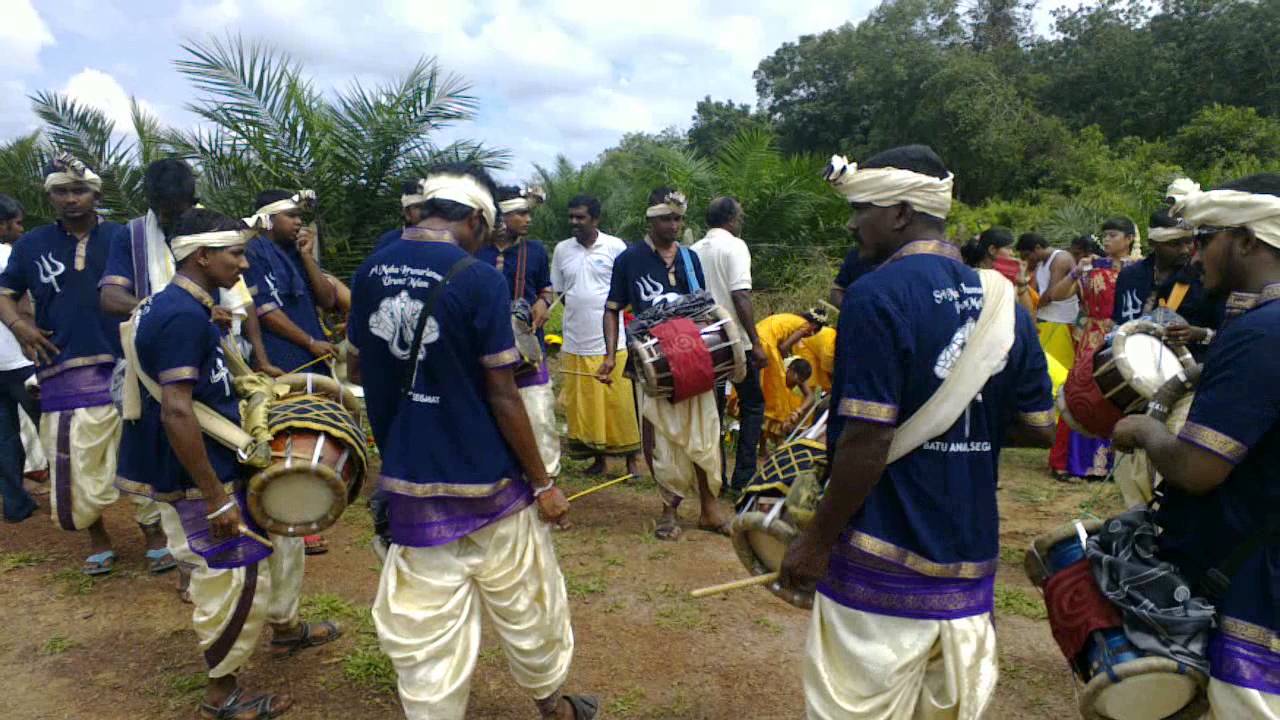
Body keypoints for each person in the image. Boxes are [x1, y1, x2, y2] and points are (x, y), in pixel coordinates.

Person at [780, 145, 1055, 719]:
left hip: (883, 548)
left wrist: (815, 540)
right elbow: (1038, 426)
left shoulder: (876, 296)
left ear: (901, 213)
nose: (854, 223)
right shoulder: (1006, 303)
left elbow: (866, 441)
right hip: (969, 551)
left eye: (863, 209)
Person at [348, 163, 595, 720]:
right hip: (487, 479)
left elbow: (359, 363)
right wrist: (544, 482)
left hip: (409, 475)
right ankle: (553, 706)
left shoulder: (371, 271)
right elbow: (503, 394)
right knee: (528, 601)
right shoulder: (479, 277)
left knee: (425, 622)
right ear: (479, 220)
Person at [115, 208, 341, 720]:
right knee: (227, 572)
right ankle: (223, 695)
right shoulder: (177, 317)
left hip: (214, 455)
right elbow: (176, 409)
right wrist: (216, 497)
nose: (243, 264)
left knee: (277, 542)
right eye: (235, 254)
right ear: (202, 256)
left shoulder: (180, 306)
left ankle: (283, 628)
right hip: (199, 470)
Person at [1113, 173, 1280, 718]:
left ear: (1250, 241)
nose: (1195, 251)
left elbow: (1197, 469)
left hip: (1257, 581)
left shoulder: (1262, 333)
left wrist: (1144, 430)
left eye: (1206, 237)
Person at [0, 155, 138, 575]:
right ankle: (97, 538)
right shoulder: (31, 245)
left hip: (124, 362)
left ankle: (154, 536)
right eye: (61, 192)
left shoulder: (123, 238)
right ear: (50, 197)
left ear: (96, 194)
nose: (70, 199)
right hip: (62, 367)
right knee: (71, 461)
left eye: (79, 191)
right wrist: (21, 328)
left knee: (140, 452)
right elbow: (4, 293)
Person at [598, 187, 732, 540]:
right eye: (666, 219)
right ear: (651, 218)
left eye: (678, 219)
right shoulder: (629, 260)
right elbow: (612, 310)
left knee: (704, 429)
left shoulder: (690, 259)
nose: (673, 225)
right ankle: (668, 510)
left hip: (694, 360)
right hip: (653, 364)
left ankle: (709, 507)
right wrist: (611, 356)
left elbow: (703, 310)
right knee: (659, 438)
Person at [100, 159, 275, 376]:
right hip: (159, 356)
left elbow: (243, 298)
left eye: (175, 213)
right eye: (159, 209)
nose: (164, 218)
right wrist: (178, 313)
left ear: (192, 203)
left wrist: (262, 361)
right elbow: (110, 298)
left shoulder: (213, 230)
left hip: (218, 356)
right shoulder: (132, 236)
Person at [550, 194, 641, 476]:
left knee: (618, 403)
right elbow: (561, 292)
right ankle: (597, 460)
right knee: (586, 404)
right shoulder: (562, 250)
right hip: (576, 339)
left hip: (611, 343)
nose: (574, 222)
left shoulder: (615, 247)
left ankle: (632, 463)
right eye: (571, 217)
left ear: (595, 219)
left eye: (581, 217)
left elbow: (628, 291)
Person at [476, 186, 560, 478]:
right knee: (485, 416)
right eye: (520, 213)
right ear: (500, 217)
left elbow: (545, 289)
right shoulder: (474, 250)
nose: (528, 219)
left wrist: (542, 303)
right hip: (482, 348)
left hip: (528, 349)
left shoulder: (535, 251)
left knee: (538, 416)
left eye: (528, 213)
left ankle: (545, 480)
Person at [1043, 225, 1138, 481]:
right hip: (1092, 339)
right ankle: (1070, 462)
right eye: (1105, 235)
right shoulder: (1091, 267)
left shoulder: (1141, 269)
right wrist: (1075, 272)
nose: (1107, 240)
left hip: (1126, 337)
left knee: (1120, 396)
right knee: (1082, 395)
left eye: (1113, 235)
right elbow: (1056, 295)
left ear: (1129, 239)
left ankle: (1112, 467)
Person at [691, 196, 767, 491]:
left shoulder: (694, 250)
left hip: (705, 342)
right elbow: (741, 296)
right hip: (736, 342)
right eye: (740, 216)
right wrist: (755, 342)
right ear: (731, 219)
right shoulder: (736, 246)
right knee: (752, 405)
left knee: (714, 410)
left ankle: (715, 478)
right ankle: (744, 476)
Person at [243, 190, 338, 376]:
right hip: (283, 359)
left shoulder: (296, 252)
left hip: (316, 354)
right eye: (291, 216)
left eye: (299, 216)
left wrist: (307, 257)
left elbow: (328, 300)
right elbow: (266, 312)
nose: (298, 222)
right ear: (267, 220)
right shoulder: (251, 254)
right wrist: (310, 342)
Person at [1114, 207, 1222, 358]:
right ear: (1153, 243)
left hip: (1186, 367)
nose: (1185, 250)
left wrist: (1199, 334)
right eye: (1174, 244)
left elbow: (1225, 332)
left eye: (1188, 242)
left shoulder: (1204, 278)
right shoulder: (1129, 276)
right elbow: (1118, 322)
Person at [0, 193, 40, 523]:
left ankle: (15, 503)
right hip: (18, 360)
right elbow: (22, 307)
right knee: (51, 427)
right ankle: (72, 496)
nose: (20, 228)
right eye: (15, 223)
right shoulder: (9, 257)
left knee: (4, 436)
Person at [754, 310, 827, 451]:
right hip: (766, 346)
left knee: (771, 403)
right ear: (813, 324)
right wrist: (782, 362)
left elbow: (810, 396)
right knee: (776, 404)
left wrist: (797, 412)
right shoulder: (804, 325)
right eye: (814, 331)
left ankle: (767, 447)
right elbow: (783, 347)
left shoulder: (791, 320)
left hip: (757, 340)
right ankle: (777, 446)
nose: (810, 335)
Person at [962, 227, 1036, 314]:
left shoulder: (968, 275)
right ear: (992, 250)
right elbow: (1028, 316)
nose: (1012, 253)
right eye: (1008, 248)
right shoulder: (997, 279)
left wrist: (1021, 284)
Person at [374, 180, 429, 252]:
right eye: (418, 207)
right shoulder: (389, 240)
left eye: (429, 206)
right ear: (406, 212)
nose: (426, 211)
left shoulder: (445, 240)